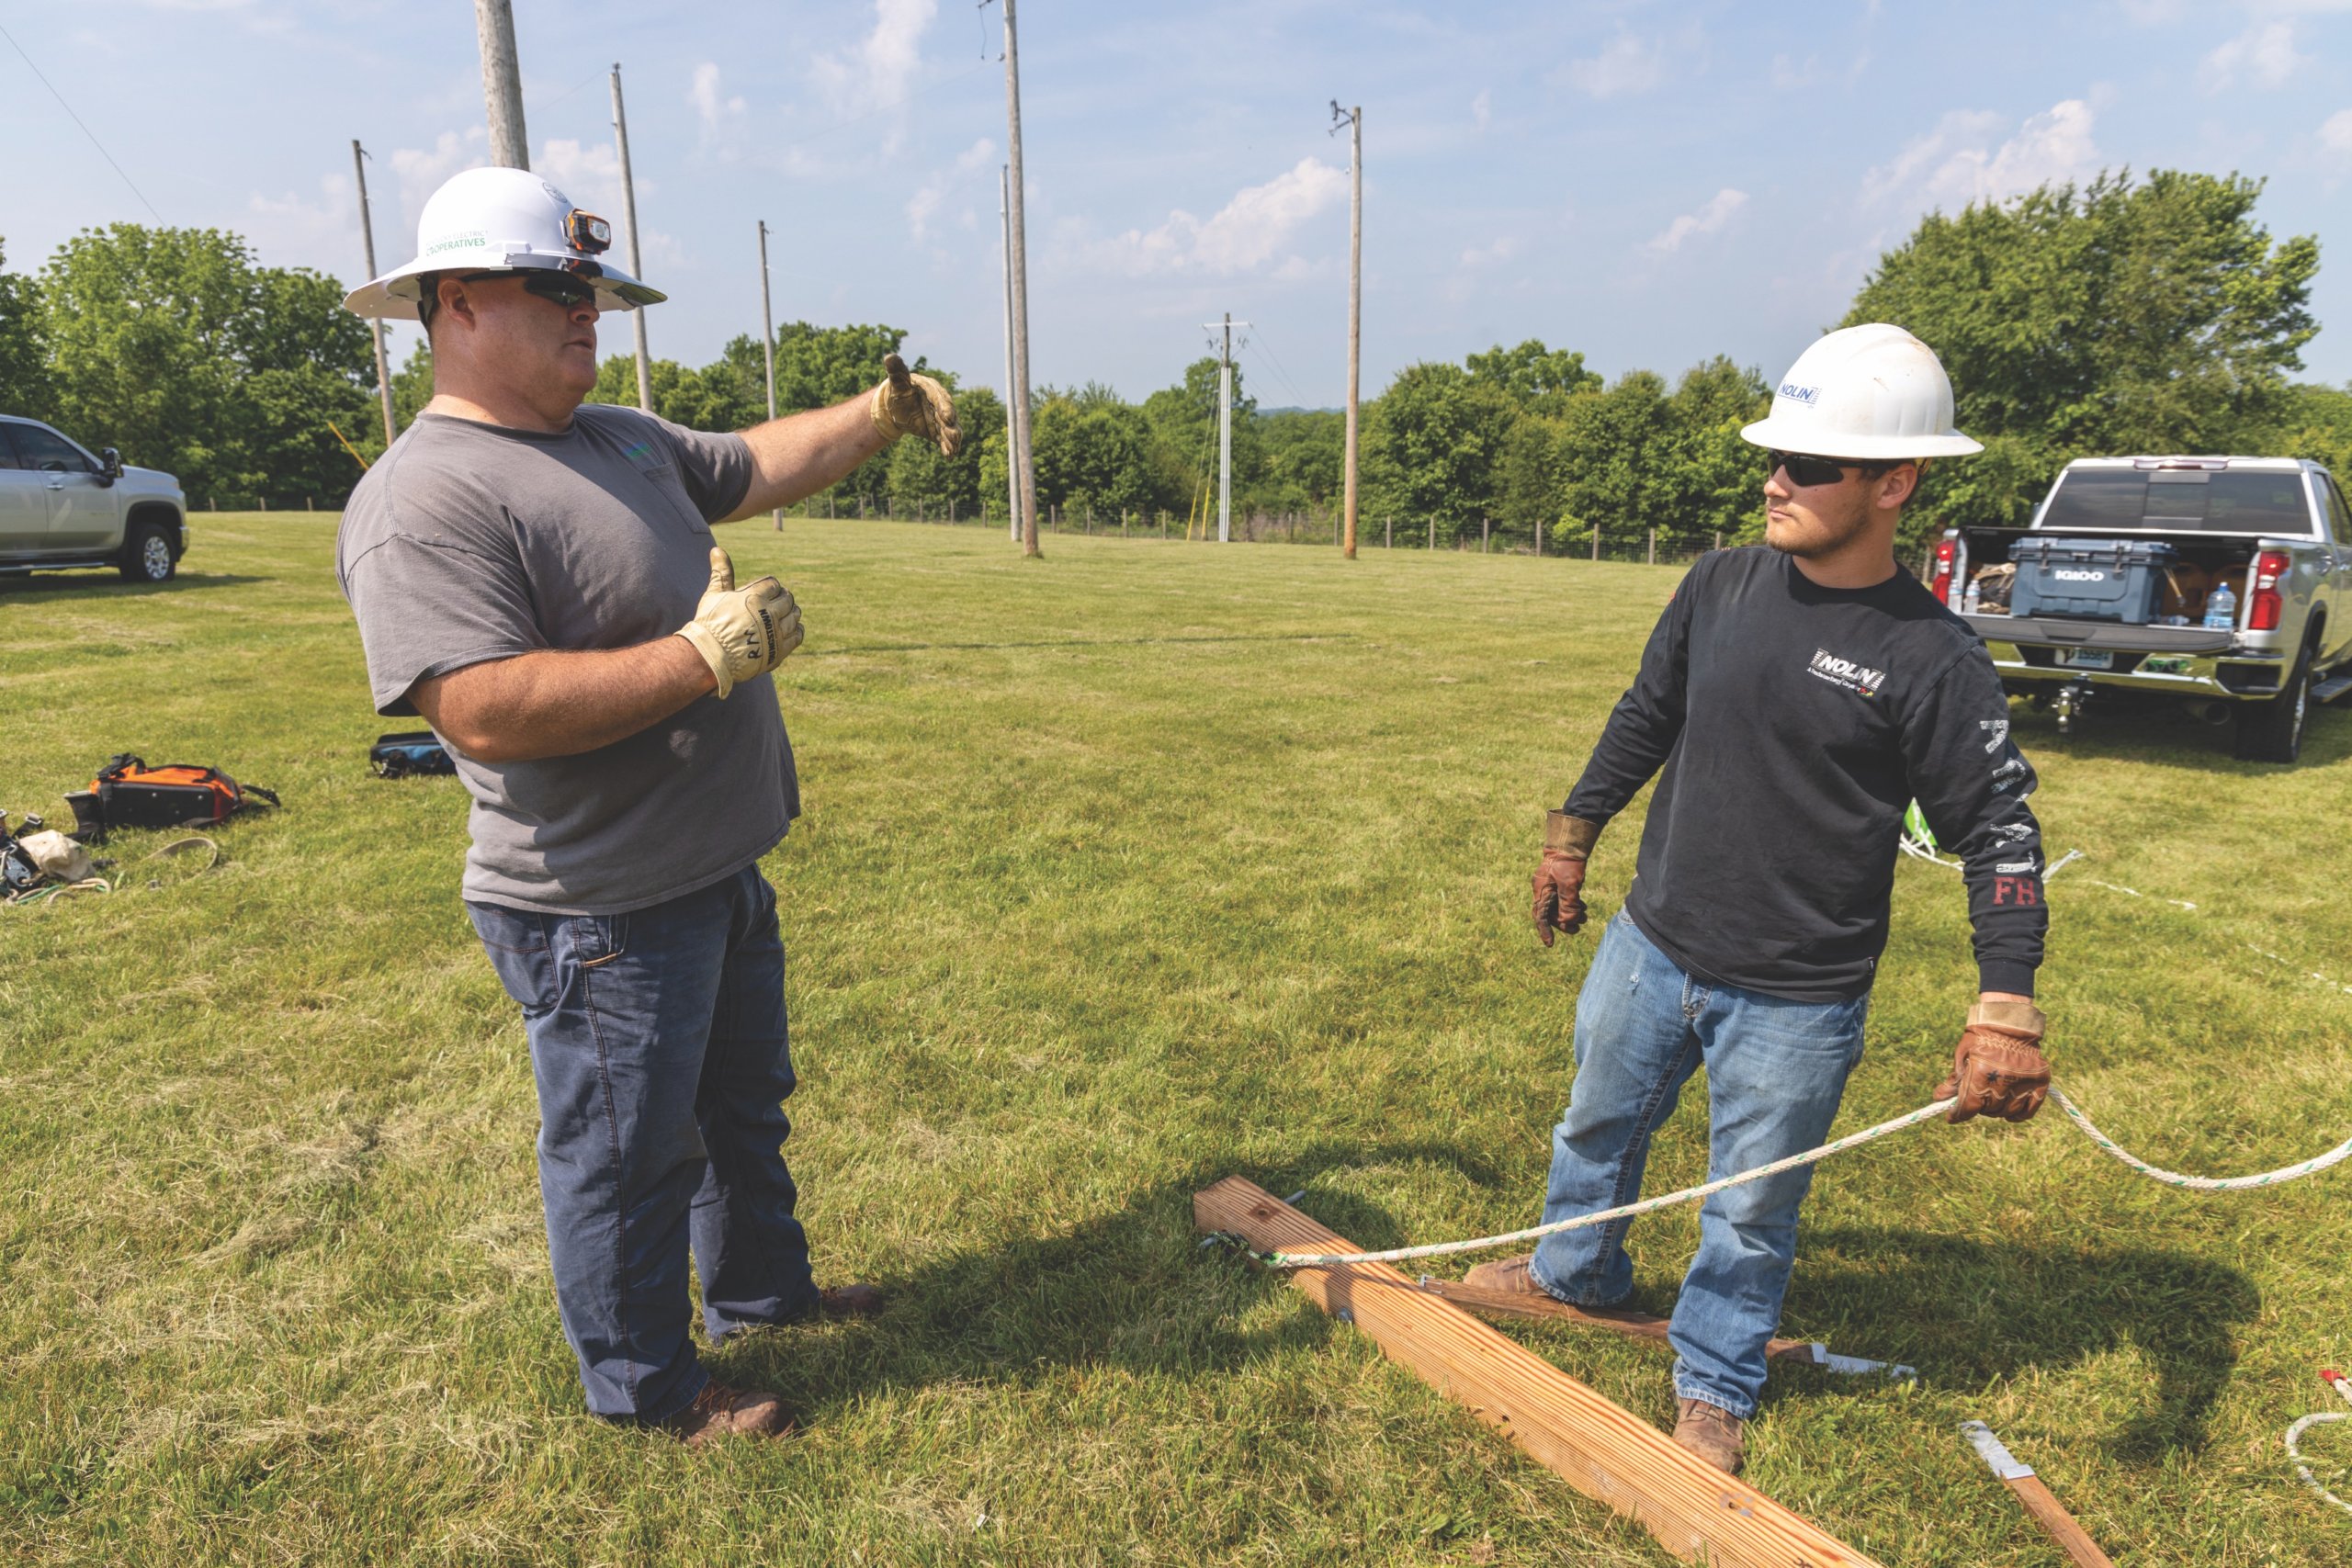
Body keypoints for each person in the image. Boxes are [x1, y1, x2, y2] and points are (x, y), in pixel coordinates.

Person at [335, 167, 959, 1445]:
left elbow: (748, 462)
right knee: (627, 1158)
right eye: (559, 286)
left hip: (714, 868)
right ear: (454, 302)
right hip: (598, 906)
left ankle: (760, 1297)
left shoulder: (616, 434)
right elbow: (483, 705)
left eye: (598, 290)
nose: (591, 312)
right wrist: (704, 656)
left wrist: (879, 414)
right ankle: (647, 1391)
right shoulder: (424, 496)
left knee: (738, 1113)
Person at [1476, 324, 2052, 1475]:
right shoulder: (1722, 581)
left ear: (1894, 483)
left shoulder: (1934, 658)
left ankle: (1714, 1381)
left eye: (1810, 465)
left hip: (1796, 994)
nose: (1774, 480)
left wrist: (2006, 1004)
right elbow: (1647, 713)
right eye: (1776, 456)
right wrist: (1570, 840)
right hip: (1650, 943)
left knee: (1748, 1207)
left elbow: (1999, 831)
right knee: (1594, 1124)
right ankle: (1573, 1273)